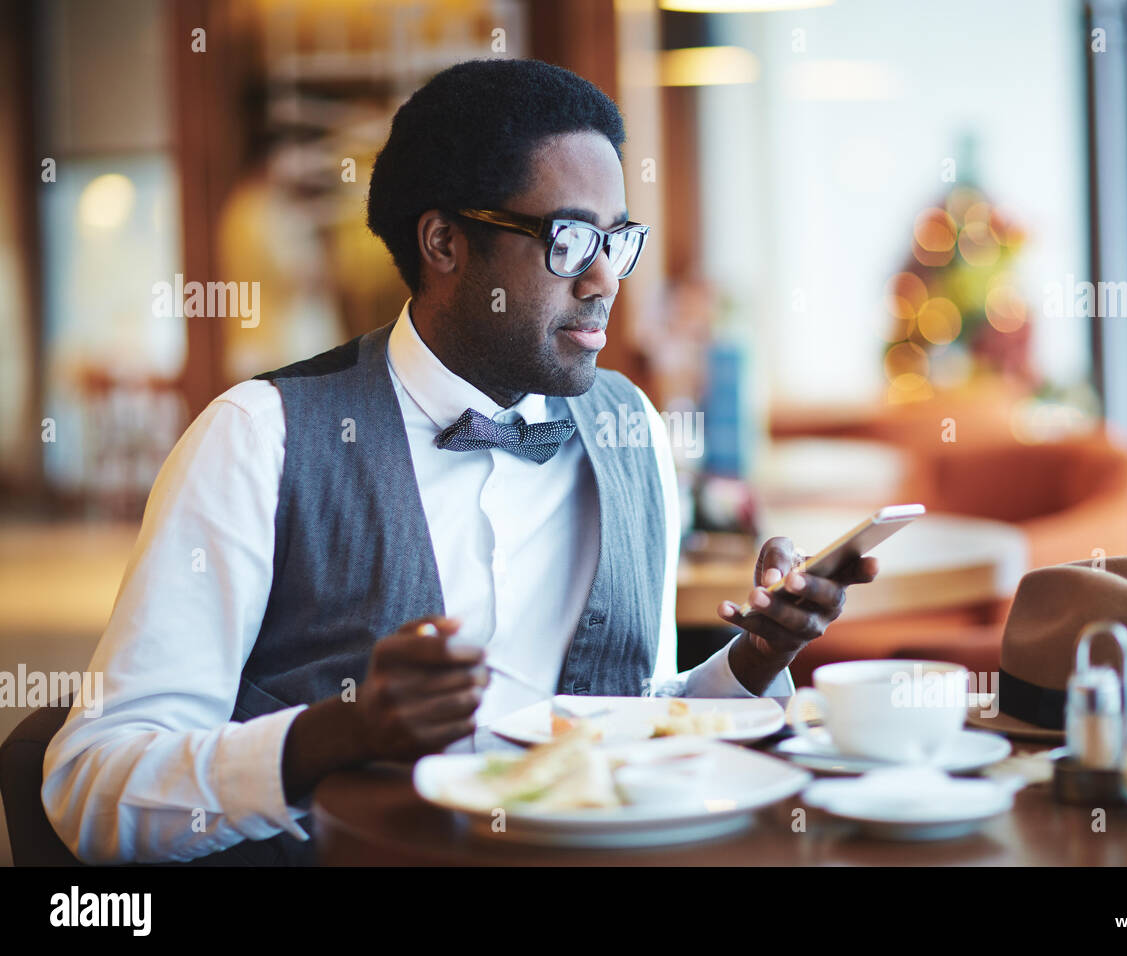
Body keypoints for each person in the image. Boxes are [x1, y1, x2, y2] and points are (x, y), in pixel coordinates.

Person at [41, 58, 879, 865]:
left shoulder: (631, 428)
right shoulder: (259, 438)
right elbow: (90, 789)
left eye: (616, 240)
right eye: (569, 239)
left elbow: (634, 725)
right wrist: (336, 735)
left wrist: (754, 663)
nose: (604, 280)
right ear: (444, 243)